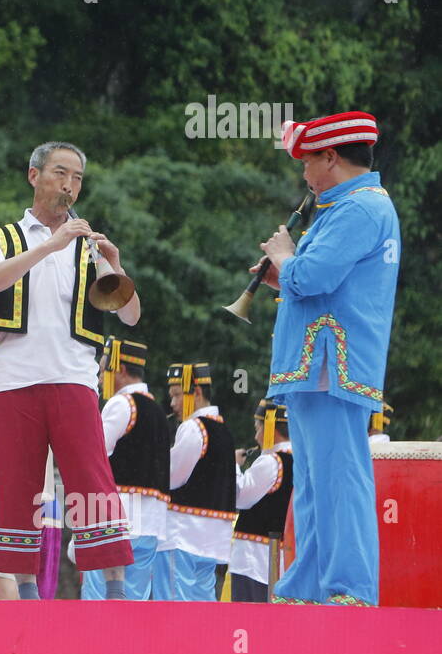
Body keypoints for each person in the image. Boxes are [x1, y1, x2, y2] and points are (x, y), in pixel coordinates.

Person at [0, 142, 137, 601]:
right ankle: (27, 595)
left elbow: (130, 316)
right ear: (34, 176)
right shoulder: (2, 237)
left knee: (91, 479)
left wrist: (116, 264)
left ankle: (115, 590)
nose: (69, 185)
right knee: (15, 485)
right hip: (12, 379)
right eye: (60, 173)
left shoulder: (89, 244)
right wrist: (50, 245)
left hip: (73, 376)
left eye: (78, 178)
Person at [259, 110, 400, 606]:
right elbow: (314, 281)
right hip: (319, 365)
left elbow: (311, 277)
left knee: (340, 478)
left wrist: (283, 255)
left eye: (306, 162)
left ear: (330, 157)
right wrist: (287, 273)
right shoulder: (351, 206)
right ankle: (308, 587)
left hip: (330, 364)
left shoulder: (358, 209)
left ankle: (349, 589)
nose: (303, 173)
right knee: (317, 483)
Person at [82, 337, 169, 601]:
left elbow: (94, 456)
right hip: (150, 522)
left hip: (117, 517)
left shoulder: (122, 404)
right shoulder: (156, 409)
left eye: (105, 368)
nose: (101, 375)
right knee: (136, 601)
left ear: (119, 369)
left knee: (99, 595)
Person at [153, 363, 236, 601]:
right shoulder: (225, 431)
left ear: (196, 393)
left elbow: (172, 476)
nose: (172, 404)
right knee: (203, 607)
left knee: (172, 606)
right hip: (211, 538)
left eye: (177, 395)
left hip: (181, 533)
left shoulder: (193, 428)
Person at [229, 400, 294, 603]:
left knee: (249, 619)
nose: (256, 436)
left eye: (258, 428)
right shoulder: (301, 459)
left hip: (254, 560)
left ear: (269, 429)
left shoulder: (270, 461)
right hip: (282, 559)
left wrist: (234, 466)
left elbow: (241, 497)